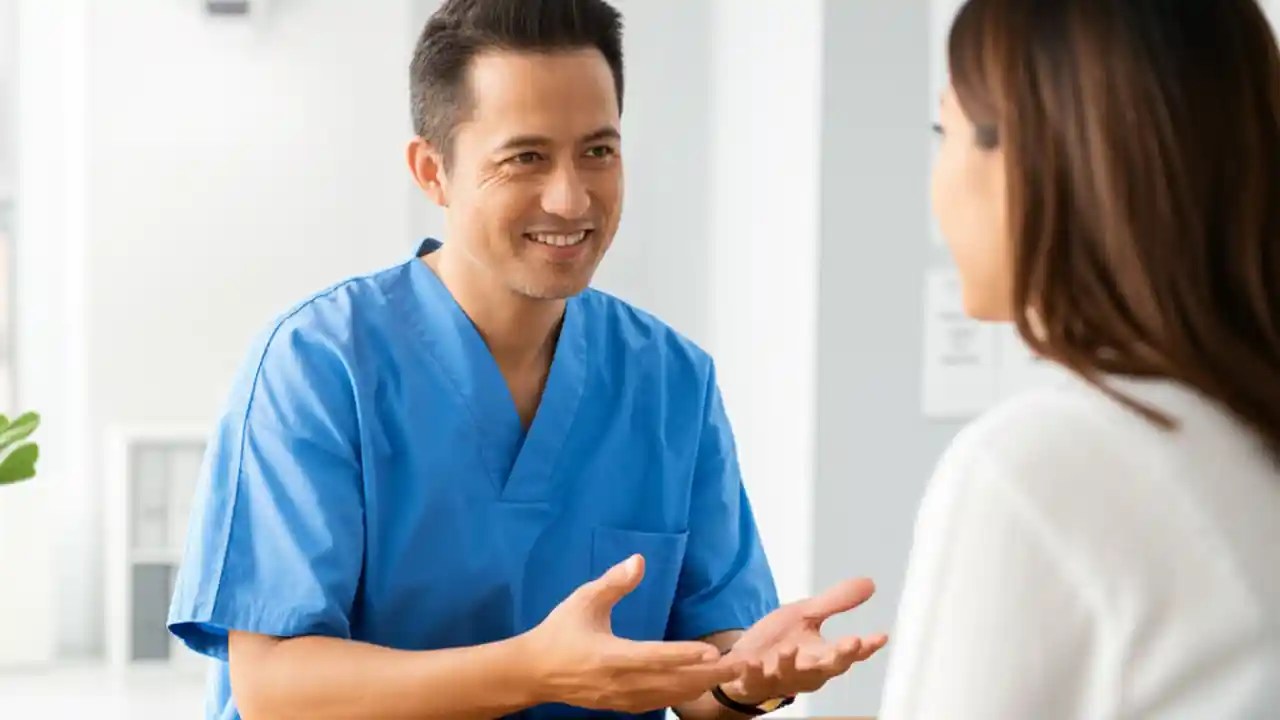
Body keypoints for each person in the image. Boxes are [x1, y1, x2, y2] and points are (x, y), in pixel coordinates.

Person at [167, 0, 886, 718]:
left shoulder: (671, 381)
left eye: (598, 152)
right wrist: (534, 671)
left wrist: (744, 678)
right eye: (525, 158)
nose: (572, 198)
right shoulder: (317, 366)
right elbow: (277, 690)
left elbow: (702, 674)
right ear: (432, 171)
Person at [878, 0, 1280, 717]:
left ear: (1032, 157)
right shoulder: (1243, 432)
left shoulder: (1038, 464)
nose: (937, 179)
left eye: (949, 130)